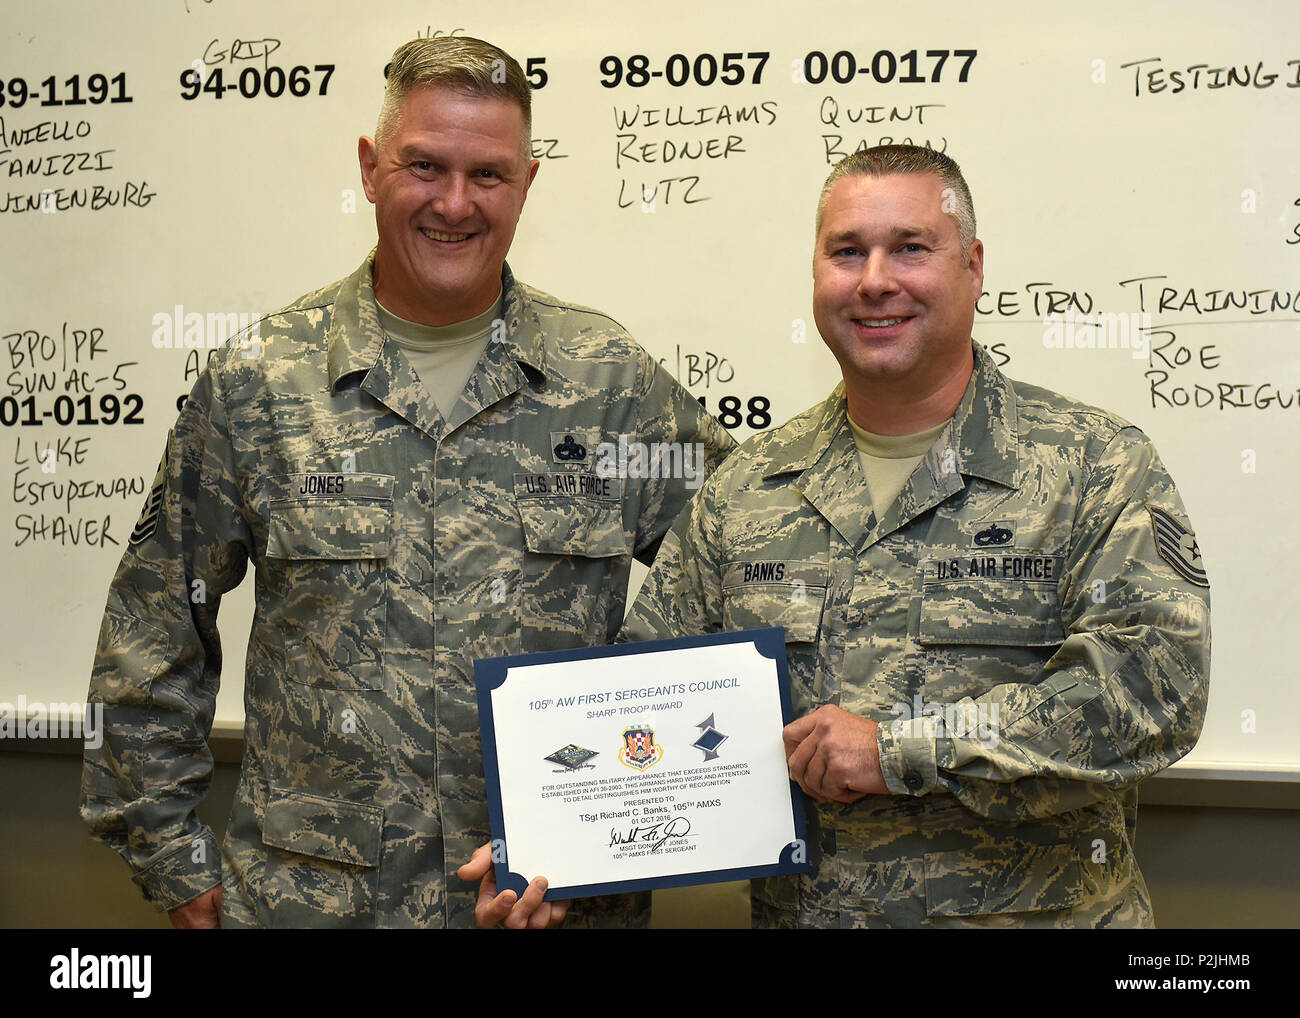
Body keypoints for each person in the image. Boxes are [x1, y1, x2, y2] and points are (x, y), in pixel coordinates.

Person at [80, 35, 733, 929]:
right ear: (370, 168)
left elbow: (744, 584)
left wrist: (613, 826)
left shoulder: (613, 386)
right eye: (424, 165)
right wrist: (174, 864)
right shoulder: (260, 382)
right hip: (314, 906)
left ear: (528, 183)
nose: (455, 204)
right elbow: (151, 626)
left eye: (489, 175)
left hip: (553, 906)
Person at [620, 145, 1210, 928]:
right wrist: (548, 850)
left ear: (972, 265)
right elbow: (638, 694)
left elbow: (1152, 689)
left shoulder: (1093, 465)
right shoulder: (746, 487)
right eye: (846, 252)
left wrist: (901, 750)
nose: (874, 281)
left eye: (910, 248)